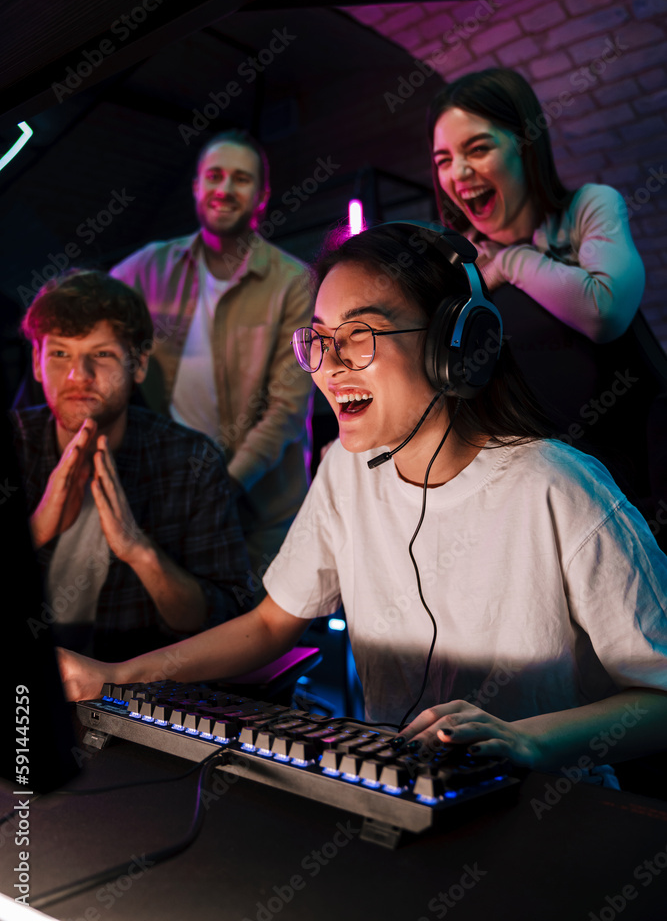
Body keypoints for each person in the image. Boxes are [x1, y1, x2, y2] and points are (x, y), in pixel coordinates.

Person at [59, 225, 667, 777]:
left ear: (452, 344)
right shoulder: (345, 472)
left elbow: (659, 698)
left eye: (360, 337)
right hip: (400, 797)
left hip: (550, 815)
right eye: (320, 341)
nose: (329, 366)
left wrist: (525, 741)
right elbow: (272, 623)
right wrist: (115, 678)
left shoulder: (559, 487)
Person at [428, 67, 667, 546]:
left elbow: (605, 310)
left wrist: (512, 262)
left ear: (526, 144)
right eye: (444, 159)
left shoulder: (587, 208)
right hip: (541, 495)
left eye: (477, 149)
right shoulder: (458, 266)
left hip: (639, 475)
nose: (458, 173)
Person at [110, 129, 313, 594]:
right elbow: (91, 313)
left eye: (240, 179)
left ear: (261, 196)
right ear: (197, 188)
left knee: (255, 647)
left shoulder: (294, 282)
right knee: (184, 639)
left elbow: (286, 412)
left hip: (262, 509)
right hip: (173, 497)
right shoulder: (149, 266)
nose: (224, 189)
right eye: (214, 177)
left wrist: (220, 488)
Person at [13, 269, 251, 661]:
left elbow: (222, 621)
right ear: (37, 364)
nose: (79, 374)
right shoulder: (15, 441)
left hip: (130, 699)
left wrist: (138, 549)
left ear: (138, 364)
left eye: (102, 354)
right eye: (60, 354)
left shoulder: (190, 459)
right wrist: (37, 529)